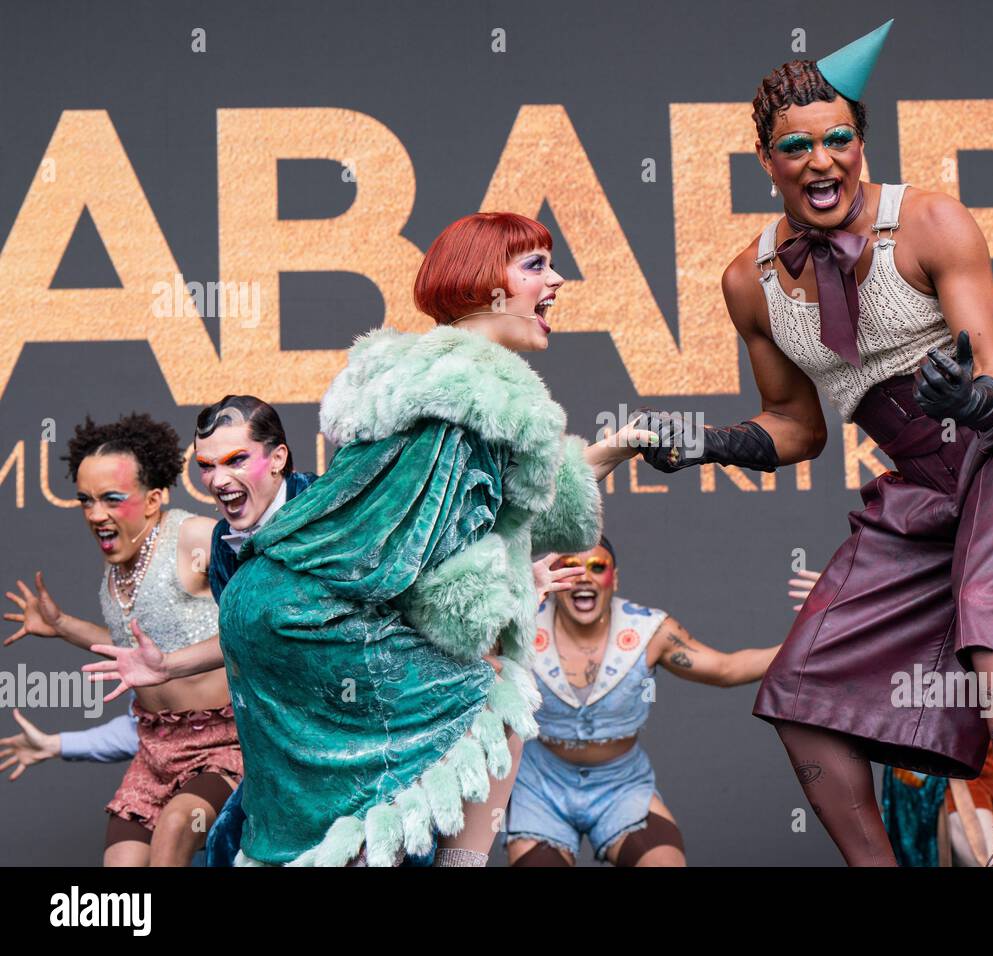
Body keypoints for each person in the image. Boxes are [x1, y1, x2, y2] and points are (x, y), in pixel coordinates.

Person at [635, 21, 993, 866]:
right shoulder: (750, 280)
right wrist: (705, 445)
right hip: (926, 478)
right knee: (799, 687)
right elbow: (798, 427)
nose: (821, 162)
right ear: (766, 162)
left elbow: (992, 368)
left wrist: (968, 394)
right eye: (796, 147)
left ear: (861, 142)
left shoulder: (927, 219)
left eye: (839, 139)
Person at [170, 212, 646, 866]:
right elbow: (420, 579)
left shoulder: (439, 386)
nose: (557, 279)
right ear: (487, 286)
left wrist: (608, 455)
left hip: (272, 612)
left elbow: (506, 512)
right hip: (307, 621)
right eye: (535, 265)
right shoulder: (465, 395)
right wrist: (506, 598)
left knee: (351, 811)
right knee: (494, 695)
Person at [79, 395, 318, 865]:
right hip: (161, 746)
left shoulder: (318, 516)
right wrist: (163, 664)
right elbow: (235, 634)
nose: (218, 479)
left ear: (278, 459)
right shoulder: (223, 546)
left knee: (177, 830)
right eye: (207, 465)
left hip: (245, 739)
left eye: (235, 460)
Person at [3, 414, 238, 866]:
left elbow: (260, 593)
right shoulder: (115, 573)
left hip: (223, 748)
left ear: (153, 500)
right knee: (122, 866)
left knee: (175, 826)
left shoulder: (192, 537)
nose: (95, 514)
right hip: (154, 752)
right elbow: (132, 652)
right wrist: (61, 625)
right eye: (86, 500)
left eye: (112, 498)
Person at [504, 537, 781, 866]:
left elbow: (726, 668)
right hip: (540, 784)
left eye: (597, 567)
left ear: (615, 579)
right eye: (571, 568)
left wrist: (818, 638)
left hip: (621, 784)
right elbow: (464, 661)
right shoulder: (519, 626)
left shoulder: (650, 631)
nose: (584, 578)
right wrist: (516, 599)